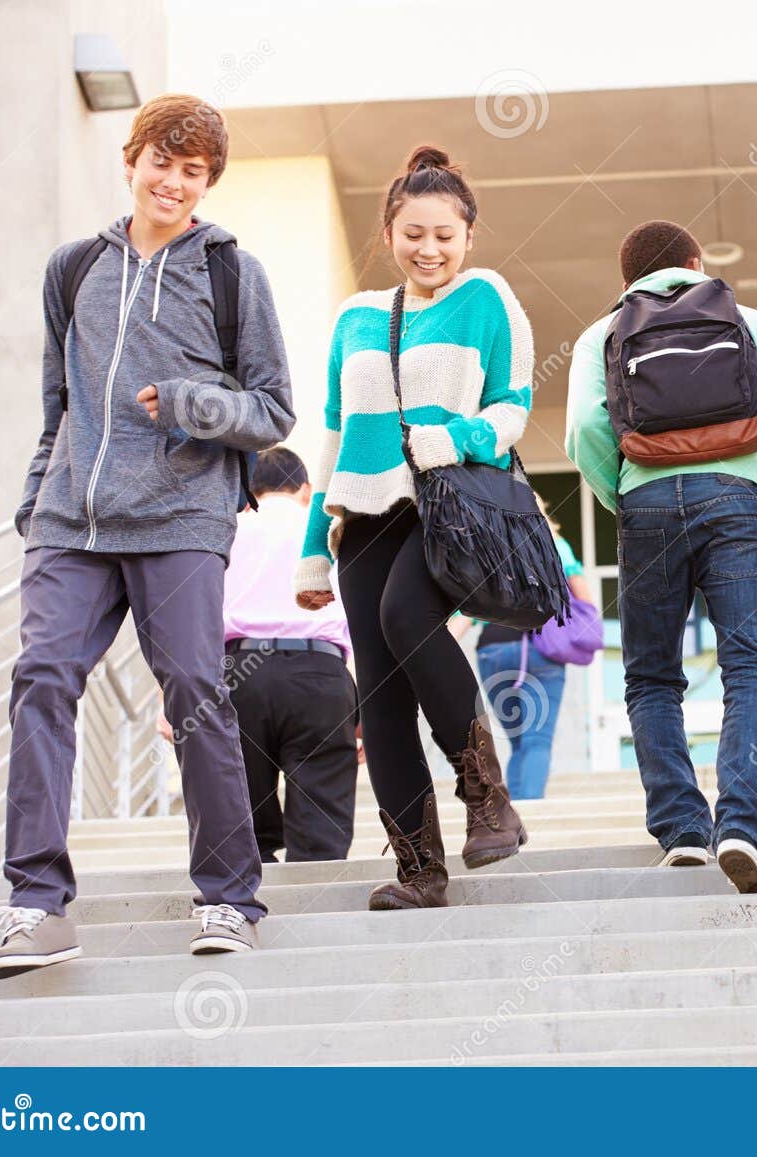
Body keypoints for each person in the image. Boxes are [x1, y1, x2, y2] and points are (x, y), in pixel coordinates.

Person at [0, 94, 294, 978]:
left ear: (207, 183)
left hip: (181, 518)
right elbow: (61, 406)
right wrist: (35, 503)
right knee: (42, 677)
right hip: (71, 523)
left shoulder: (234, 273)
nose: (174, 182)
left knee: (196, 688)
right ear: (133, 160)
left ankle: (229, 897)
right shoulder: (74, 267)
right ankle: (36, 904)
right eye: (163, 162)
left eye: (193, 172)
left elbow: (273, 409)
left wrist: (194, 404)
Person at [293, 144, 534, 913]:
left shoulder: (487, 297)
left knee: (406, 616)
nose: (429, 249)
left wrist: (455, 438)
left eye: (445, 235)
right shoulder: (356, 317)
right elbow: (332, 436)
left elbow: (512, 407)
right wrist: (310, 552)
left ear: (468, 236)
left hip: (444, 509)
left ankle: (484, 790)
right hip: (363, 519)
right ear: (389, 232)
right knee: (381, 696)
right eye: (413, 234)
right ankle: (419, 867)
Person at [566, 220, 757, 894]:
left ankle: (682, 830)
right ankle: (741, 826)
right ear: (695, 264)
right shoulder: (748, 320)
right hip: (744, 496)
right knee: (753, 667)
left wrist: (627, 494)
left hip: (646, 503)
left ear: (627, 279)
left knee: (651, 674)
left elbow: (585, 430)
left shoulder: (605, 332)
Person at [159, 447, 359, 863]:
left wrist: (171, 698)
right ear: (305, 489)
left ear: (250, 490)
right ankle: (315, 908)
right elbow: (362, 614)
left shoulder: (224, 530)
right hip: (319, 669)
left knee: (241, 811)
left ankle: (248, 905)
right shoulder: (331, 531)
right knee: (322, 819)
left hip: (236, 672)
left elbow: (191, 617)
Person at [468, 493, 594, 800]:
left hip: (492, 651)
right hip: (541, 649)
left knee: (518, 742)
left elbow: (468, 611)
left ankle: (513, 814)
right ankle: (531, 814)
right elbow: (585, 601)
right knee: (537, 741)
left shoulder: (487, 550)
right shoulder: (555, 545)